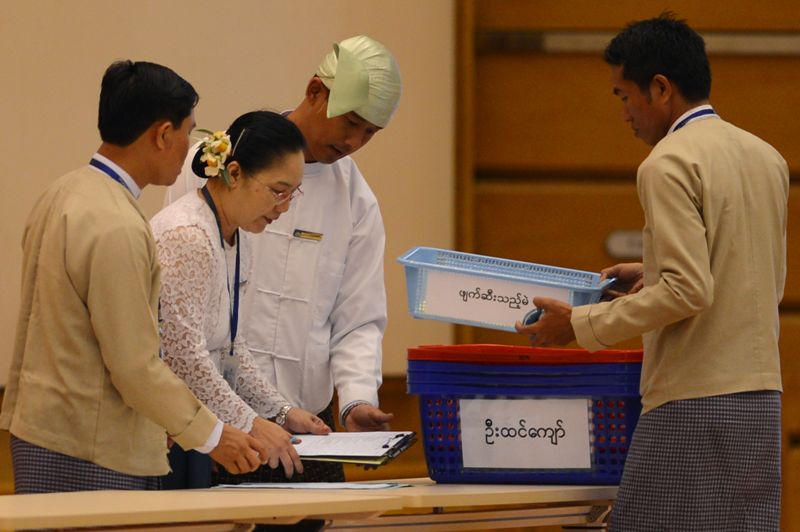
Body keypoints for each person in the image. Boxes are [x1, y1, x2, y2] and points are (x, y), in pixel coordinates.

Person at [515, 14, 788, 530]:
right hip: (760, 401)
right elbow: (758, 276)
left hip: (692, 397)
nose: (624, 112)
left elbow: (688, 290)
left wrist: (577, 325)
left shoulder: (667, 162)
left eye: (623, 96)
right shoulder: (765, 156)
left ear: (660, 88)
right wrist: (654, 269)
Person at [0, 60, 271, 494]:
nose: (190, 147)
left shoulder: (61, 193)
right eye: (188, 131)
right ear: (163, 134)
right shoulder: (117, 224)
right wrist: (214, 436)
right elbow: (134, 365)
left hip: (39, 430)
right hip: (92, 447)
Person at [165, 35, 402, 483]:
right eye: (350, 121)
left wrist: (355, 398)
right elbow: (181, 320)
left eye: (370, 132)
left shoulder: (357, 201)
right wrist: (219, 421)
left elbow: (359, 319)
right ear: (316, 91)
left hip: (302, 424)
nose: (354, 140)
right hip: (214, 426)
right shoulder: (212, 163)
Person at [152, 111, 331, 488]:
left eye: (291, 195)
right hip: (163, 428)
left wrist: (282, 411)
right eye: (278, 191)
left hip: (196, 423)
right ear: (233, 172)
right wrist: (250, 423)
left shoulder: (237, 235)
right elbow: (184, 357)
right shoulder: (188, 236)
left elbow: (232, 348)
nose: (283, 208)